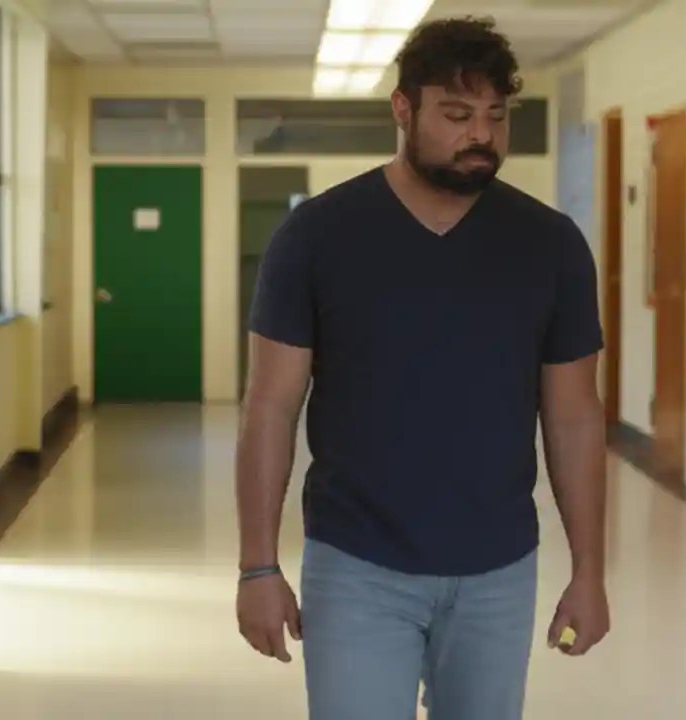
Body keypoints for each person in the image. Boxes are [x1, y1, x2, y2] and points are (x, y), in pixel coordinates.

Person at [235, 16, 609, 720]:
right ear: (403, 109)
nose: (482, 135)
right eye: (457, 114)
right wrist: (258, 565)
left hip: (498, 567)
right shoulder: (316, 236)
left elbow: (574, 417)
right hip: (355, 562)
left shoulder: (550, 246)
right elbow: (270, 407)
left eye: (497, 116)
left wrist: (589, 571)